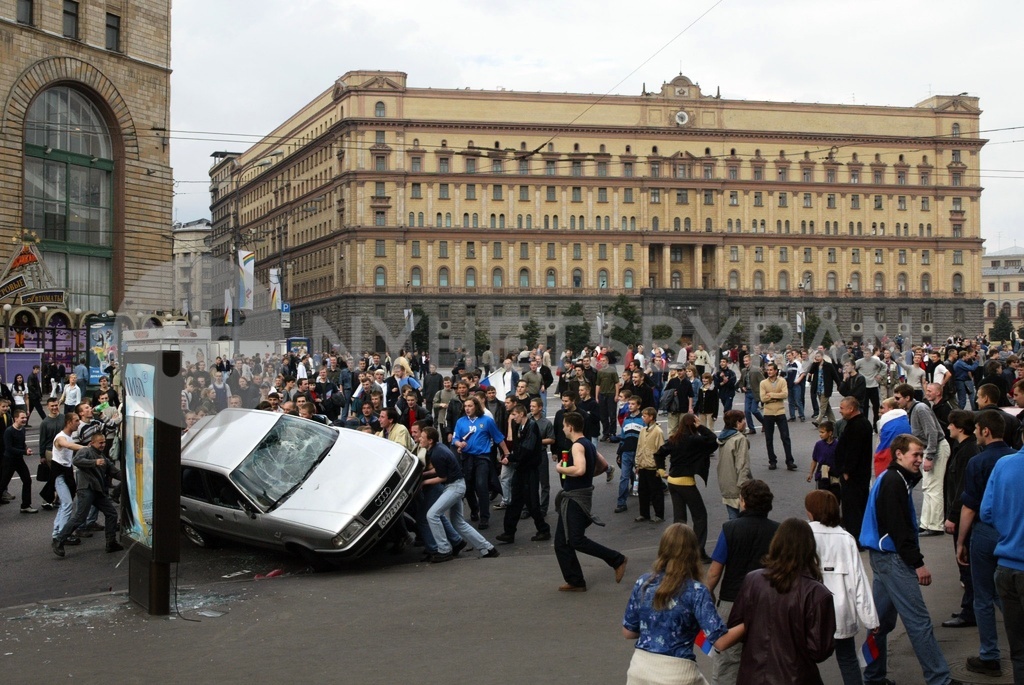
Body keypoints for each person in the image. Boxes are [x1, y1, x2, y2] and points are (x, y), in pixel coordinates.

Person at [859, 434, 957, 685]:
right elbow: (899, 529)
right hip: (893, 559)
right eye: (916, 454)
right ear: (899, 454)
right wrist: (918, 563)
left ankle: (873, 676)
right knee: (918, 622)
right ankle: (939, 680)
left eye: (921, 455)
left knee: (879, 622)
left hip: (883, 558)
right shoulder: (894, 481)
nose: (919, 460)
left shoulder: (892, 478)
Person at [622, 524, 746, 685]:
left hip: (639, 670)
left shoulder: (643, 582)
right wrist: (749, 622)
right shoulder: (697, 591)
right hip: (677, 674)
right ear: (693, 553)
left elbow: (628, 632)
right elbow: (721, 641)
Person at [728, 518, 837, 685]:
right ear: (810, 548)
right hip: (796, 677)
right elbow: (819, 651)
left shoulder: (753, 580)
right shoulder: (817, 593)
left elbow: (736, 625)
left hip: (752, 676)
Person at [956, 410, 1016, 676]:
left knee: (983, 594)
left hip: (985, 531)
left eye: (978, 429)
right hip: (1013, 530)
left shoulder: (978, 462)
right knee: (1009, 590)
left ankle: (989, 655)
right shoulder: (1015, 458)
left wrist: (961, 541)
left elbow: (970, 506)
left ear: (985, 431)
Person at [705, 480, 780, 685]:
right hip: (768, 602)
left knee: (728, 660)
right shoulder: (778, 531)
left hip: (732, 601)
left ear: (744, 502)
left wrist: (707, 593)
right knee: (766, 657)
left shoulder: (730, 529)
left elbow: (715, 571)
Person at [806, 490, 879, 685]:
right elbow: (859, 581)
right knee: (847, 659)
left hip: (810, 611)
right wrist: (870, 620)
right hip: (842, 610)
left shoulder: (804, 535)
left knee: (803, 660)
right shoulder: (846, 538)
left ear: (811, 511)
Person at [553, 411, 627, 592]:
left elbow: (579, 469)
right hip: (577, 494)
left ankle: (616, 559)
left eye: (564, 426)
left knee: (576, 539)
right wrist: (587, 479)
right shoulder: (589, 445)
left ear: (570, 427)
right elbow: (602, 466)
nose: (562, 429)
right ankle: (575, 581)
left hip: (576, 498)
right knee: (562, 542)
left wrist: (560, 468)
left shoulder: (577, 446)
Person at [979, 433, 1024, 683]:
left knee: (1018, 649)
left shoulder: (1004, 464)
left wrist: (1009, 525)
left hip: (1006, 566)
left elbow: (986, 512)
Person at [419, 427, 499, 563]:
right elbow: (439, 471)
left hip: (454, 487)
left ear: (430, 440)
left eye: (422, 437)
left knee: (432, 515)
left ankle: (444, 550)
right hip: (457, 485)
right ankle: (488, 548)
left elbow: (442, 477)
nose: (420, 439)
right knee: (458, 522)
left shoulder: (436, 454)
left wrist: (424, 481)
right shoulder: (438, 448)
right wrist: (424, 475)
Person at [654, 414, 717, 561]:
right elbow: (713, 440)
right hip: (686, 482)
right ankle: (699, 552)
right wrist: (700, 426)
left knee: (679, 519)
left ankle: (677, 552)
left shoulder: (674, 439)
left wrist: (662, 471)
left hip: (672, 481)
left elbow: (659, 454)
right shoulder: (695, 440)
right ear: (692, 424)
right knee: (700, 517)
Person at [52, 432, 123, 556]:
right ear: (92, 443)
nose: (103, 445)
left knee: (111, 513)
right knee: (80, 517)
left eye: (104, 442)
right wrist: (94, 462)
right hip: (86, 489)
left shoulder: (103, 458)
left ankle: (111, 542)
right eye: (100, 442)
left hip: (97, 490)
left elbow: (115, 472)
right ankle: (59, 540)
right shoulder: (86, 451)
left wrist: (130, 477)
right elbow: (76, 460)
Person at [940, 410, 980, 631]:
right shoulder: (963, 449)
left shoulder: (967, 452)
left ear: (960, 428)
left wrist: (952, 517)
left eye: (951, 425)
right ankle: (970, 607)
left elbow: (962, 490)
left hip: (963, 518)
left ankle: (971, 611)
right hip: (959, 514)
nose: (948, 428)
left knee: (966, 564)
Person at [893, 382, 947, 536]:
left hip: (936, 448)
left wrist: (929, 456)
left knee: (934, 488)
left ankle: (935, 524)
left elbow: (932, 433)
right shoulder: (914, 409)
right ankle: (926, 523)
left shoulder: (920, 409)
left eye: (898, 398)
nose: (896, 401)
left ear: (907, 397)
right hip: (930, 448)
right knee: (928, 487)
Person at [494, 404, 551, 544]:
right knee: (516, 501)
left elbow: (526, 449)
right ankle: (509, 532)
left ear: (520, 414)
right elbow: (517, 446)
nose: (512, 418)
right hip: (521, 469)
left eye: (513, 415)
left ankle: (543, 530)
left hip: (529, 470)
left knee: (532, 502)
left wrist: (511, 458)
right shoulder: (520, 427)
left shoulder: (531, 426)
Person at [451, 396, 509, 531]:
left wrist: (506, 453)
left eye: (470, 406)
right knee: (468, 487)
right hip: (467, 458)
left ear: (476, 407)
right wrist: (459, 443)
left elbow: (499, 438)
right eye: (465, 406)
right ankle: (474, 508)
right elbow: (455, 439)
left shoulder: (487, 421)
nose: (467, 408)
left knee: (481, 485)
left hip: (482, 457)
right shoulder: (461, 422)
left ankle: (484, 517)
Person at [833, 397, 873, 541]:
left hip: (854, 476)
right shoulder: (856, 423)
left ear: (851, 409)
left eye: (842, 408)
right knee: (856, 506)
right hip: (857, 474)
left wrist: (846, 471)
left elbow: (854, 451)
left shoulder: (858, 426)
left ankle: (856, 537)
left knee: (853, 508)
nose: (840, 411)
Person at [758, 362, 795, 470]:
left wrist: (771, 395)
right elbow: (763, 398)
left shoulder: (782, 381)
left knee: (785, 437)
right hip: (768, 413)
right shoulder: (763, 383)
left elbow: (785, 394)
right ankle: (772, 461)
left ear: (775, 371)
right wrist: (776, 397)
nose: (769, 372)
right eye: (767, 370)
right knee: (769, 439)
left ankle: (789, 461)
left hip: (780, 412)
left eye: (771, 370)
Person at [0, 409, 37, 513]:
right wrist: (24, 452)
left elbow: (22, 444)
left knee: (27, 480)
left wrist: (26, 449)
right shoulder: (9, 431)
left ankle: (25, 505)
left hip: (19, 460)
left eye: (25, 417)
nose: (25, 419)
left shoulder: (22, 430)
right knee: (3, 484)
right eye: (22, 418)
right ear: (15, 419)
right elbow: (9, 448)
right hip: (9, 460)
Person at [612, 395, 644, 514]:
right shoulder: (626, 419)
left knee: (643, 476)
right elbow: (623, 437)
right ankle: (621, 503)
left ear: (638, 406)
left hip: (638, 453)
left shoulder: (643, 420)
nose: (630, 406)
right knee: (624, 477)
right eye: (629, 404)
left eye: (632, 404)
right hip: (626, 452)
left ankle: (650, 496)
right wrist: (619, 453)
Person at [633, 407, 666, 523]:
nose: (643, 418)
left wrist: (660, 468)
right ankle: (644, 513)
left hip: (653, 466)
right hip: (643, 465)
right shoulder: (642, 431)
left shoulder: (658, 431)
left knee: (656, 491)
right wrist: (637, 464)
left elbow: (661, 450)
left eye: (645, 416)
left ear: (651, 417)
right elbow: (639, 447)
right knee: (643, 491)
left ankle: (659, 514)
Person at [716, 410, 750, 521]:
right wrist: (744, 486)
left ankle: (732, 537)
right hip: (738, 483)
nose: (745, 422)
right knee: (747, 517)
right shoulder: (739, 439)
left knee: (732, 517)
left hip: (726, 482)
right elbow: (742, 464)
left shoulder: (724, 437)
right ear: (738, 422)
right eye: (743, 420)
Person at [807, 421, 841, 501]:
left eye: (822, 432)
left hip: (834, 475)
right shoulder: (819, 445)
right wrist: (811, 473)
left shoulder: (837, 445)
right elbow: (814, 460)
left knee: (834, 497)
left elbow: (841, 460)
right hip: (822, 475)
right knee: (822, 497)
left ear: (830, 433)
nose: (820, 434)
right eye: (820, 432)